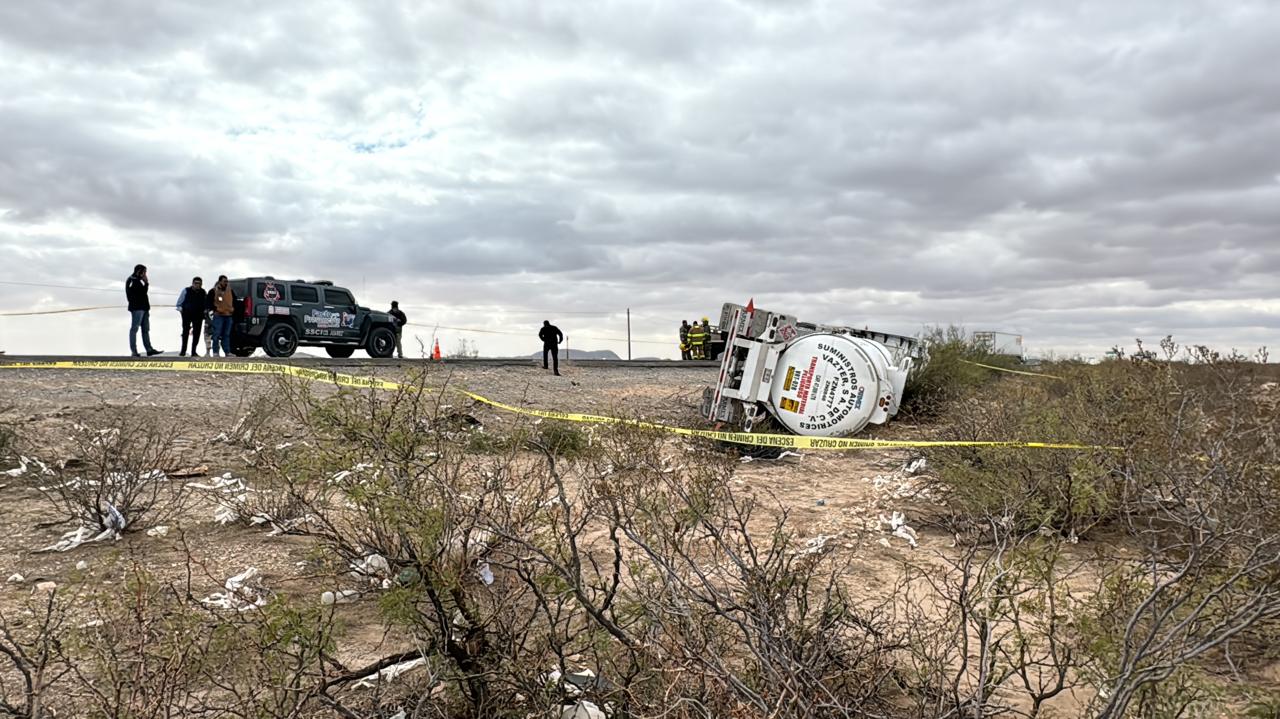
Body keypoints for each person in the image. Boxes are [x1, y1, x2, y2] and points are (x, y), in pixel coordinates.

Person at [125, 264, 162, 357]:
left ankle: (149, 349)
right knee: (134, 329)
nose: (145, 274)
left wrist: (145, 283)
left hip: (144, 308)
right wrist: (146, 283)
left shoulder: (139, 280)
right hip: (137, 308)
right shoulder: (132, 280)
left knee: (145, 329)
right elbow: (137, 294)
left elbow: (143, 293)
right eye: (144, 272)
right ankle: (134, 351)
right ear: (139, 271)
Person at [175, 277, 206, 357]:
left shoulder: (203, 292)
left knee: (197, 334)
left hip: (198, 315)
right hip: (187, 314)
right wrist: (181, 310)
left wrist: (205, 312)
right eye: (195, 283)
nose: (197, 285)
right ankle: (183, 351)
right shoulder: (186, 290)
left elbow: (205, 303)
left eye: (199, 283)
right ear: (192, 283)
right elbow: (179, 304)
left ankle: (193, 351)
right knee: (185, 332)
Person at [207, 275, 235, 357]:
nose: (226, 283)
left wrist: (233, 310)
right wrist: (215, 309)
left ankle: (227, 352)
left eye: (227, 281)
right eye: (224, 281)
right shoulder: (213, 291)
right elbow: (208, 302)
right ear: (219, 282)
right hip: (218, 316)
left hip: (228, 315)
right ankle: (215, 352)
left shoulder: (230, 291)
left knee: (226, 335)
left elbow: (235, 301)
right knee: (216, 334)